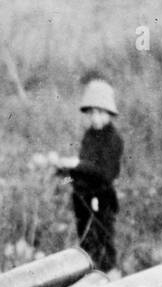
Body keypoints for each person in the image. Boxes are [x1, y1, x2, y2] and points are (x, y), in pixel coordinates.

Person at [51, 78, 124, 275]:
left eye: (100, 113)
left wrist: (76, 164)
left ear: (109, 113)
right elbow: (80, 171)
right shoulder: (89, 136)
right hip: (82, 199)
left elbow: (104, 173)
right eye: (91, 113)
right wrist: (63, 172)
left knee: (104, 241)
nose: (95, 118)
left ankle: (110, 279)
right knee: (86, 243)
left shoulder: (113, 139)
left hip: (101, 199)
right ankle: (91, 278)